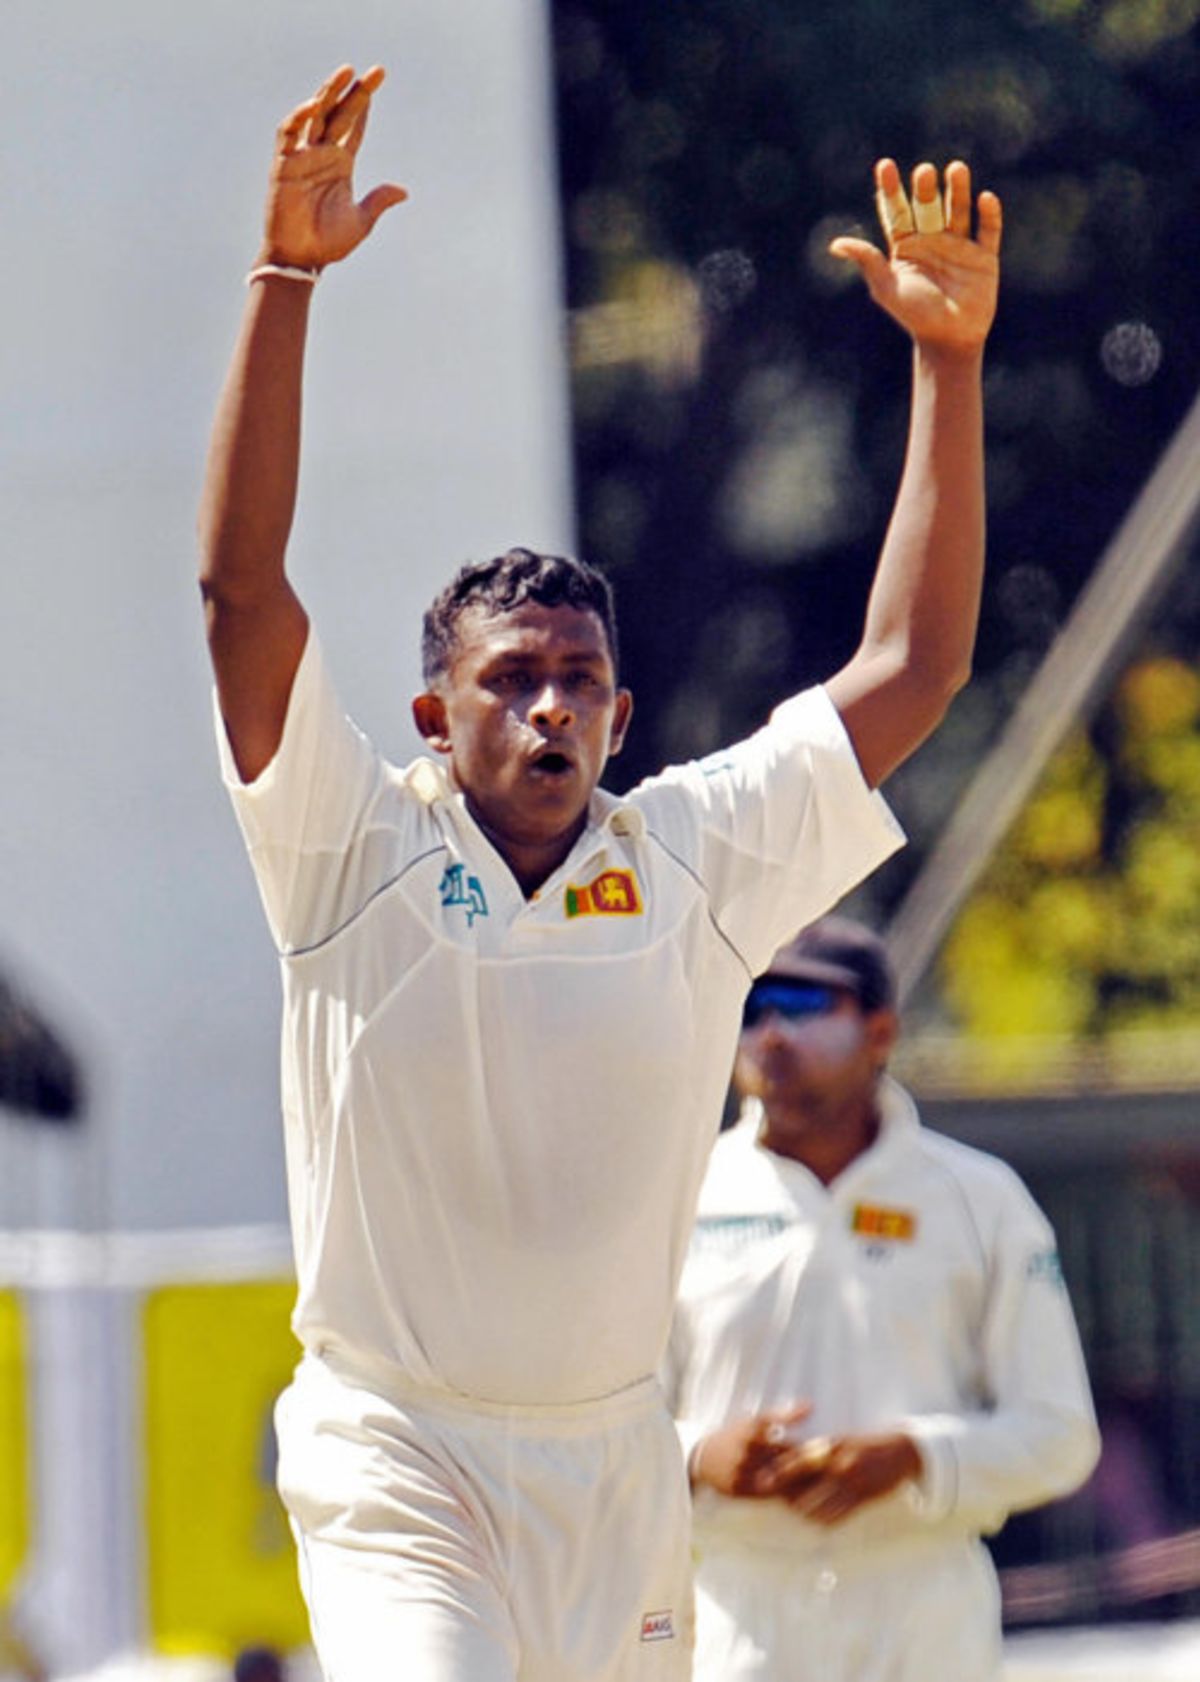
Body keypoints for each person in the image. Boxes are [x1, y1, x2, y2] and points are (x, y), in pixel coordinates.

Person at [198, 62, 1001, 1682]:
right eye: (510, 678)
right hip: (397, 1450)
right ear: (435, 714)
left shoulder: (692, 853)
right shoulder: (348, 842)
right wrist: (284, 278)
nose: (550, 705)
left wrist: (947, 363)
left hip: (617, 1467)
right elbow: (240, 597)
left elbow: (913, 667)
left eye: (580, 680)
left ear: (622, 716)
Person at [665, 916, 1100, 1682]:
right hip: (735, 1617)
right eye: (751, 1008)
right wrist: (701, 1456)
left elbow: (1060, 1434)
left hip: (925, 1617)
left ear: (881, 1031)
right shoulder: (679, 1197)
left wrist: (915, 1457)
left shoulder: (980, 1198)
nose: (772, 1035)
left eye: (804, 1005)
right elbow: (603, 1427)